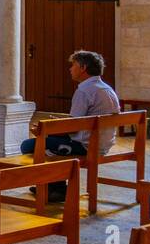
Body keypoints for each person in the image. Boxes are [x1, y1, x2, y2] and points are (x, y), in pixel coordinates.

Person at [21, 50, 120, 203]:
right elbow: (80, 121)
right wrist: (56, 125)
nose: (70, 69)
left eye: (73, 65)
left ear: (83, 68)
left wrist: (48, 128)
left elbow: (73, 128)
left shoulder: (84, 91)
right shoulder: (107, 89)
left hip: (86, 147)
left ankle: (56, 188)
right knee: (49, 137)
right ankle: (51, 186)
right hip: (102, 143)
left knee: (30, 145)